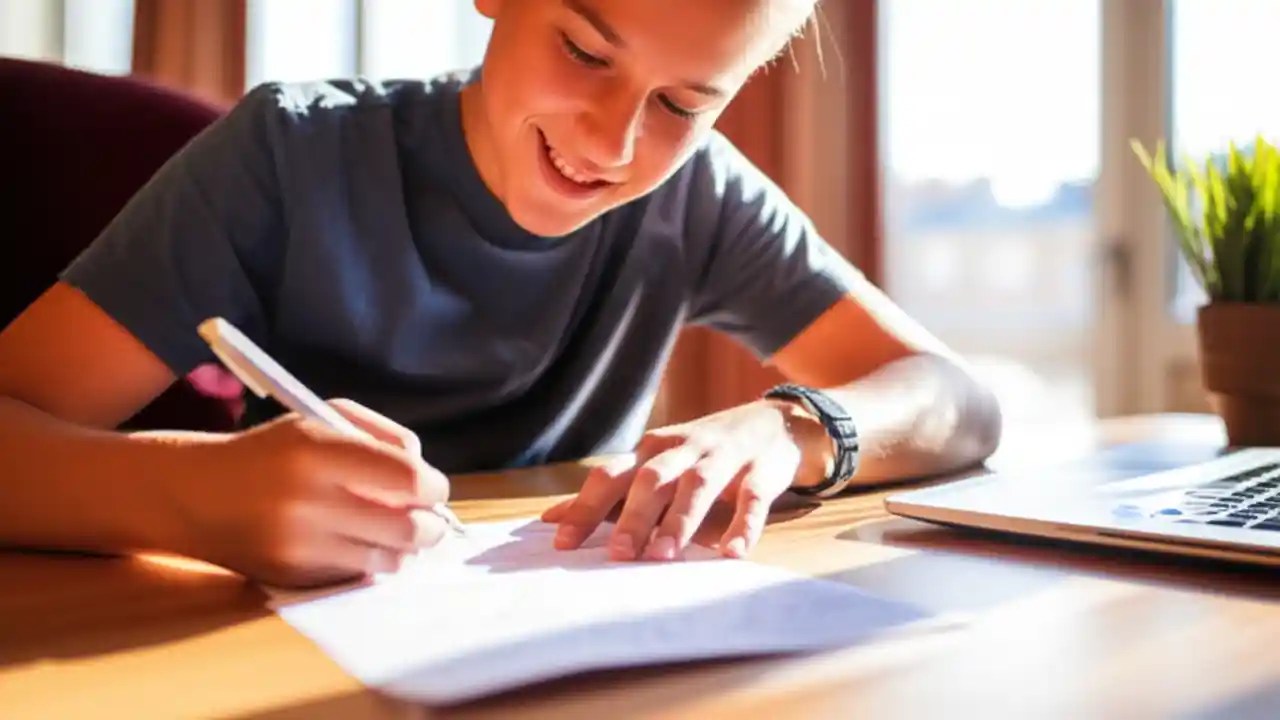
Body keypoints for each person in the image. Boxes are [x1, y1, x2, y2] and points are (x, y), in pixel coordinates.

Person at [0, 0, 1001, 588]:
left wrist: (795, 429)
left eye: (684, 104)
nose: (610, 146)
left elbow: (955, 400)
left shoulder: (696, 196)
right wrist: (192, 499)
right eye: (582, 49)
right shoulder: (286, 159)